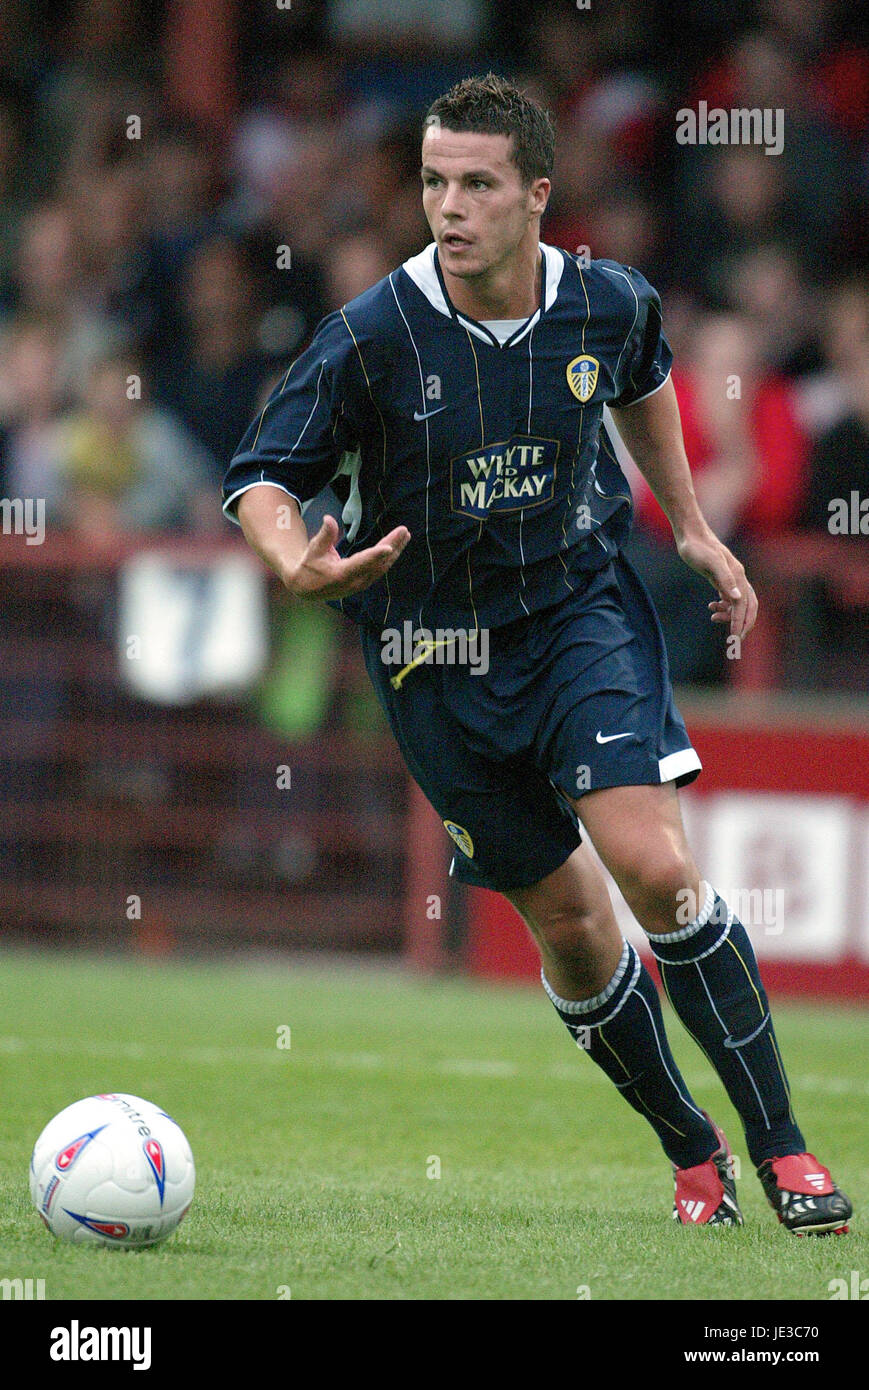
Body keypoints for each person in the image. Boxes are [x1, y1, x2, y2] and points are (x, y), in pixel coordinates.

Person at [222, 74, 851, 1235]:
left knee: (653, 871)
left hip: (576, 615)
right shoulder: (371, 334)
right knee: (567, 923)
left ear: (535, 197)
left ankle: (786, 1150)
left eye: (475, 185)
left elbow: (644, 380)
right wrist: (291, 561)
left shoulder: (604, 301)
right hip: (429, 654)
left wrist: (696, 529)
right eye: (431, 183)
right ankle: (689, 1146)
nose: (447, 208)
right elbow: (262, 476)